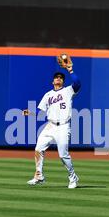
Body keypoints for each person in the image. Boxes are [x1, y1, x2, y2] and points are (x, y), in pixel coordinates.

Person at [23, 57, 81, 189]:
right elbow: (41, 113)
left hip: (63, 126)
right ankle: (39, 176)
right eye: (56, 77)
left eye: (61, 77)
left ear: (63, 81)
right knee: (38, 149)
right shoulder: (47, 95)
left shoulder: (67, 91)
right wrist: (30, 113)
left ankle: (73, 177)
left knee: (63, 155)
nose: (58, 78)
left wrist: (70, 70)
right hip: (50, 126)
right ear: (52, 81)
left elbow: (77, 84)